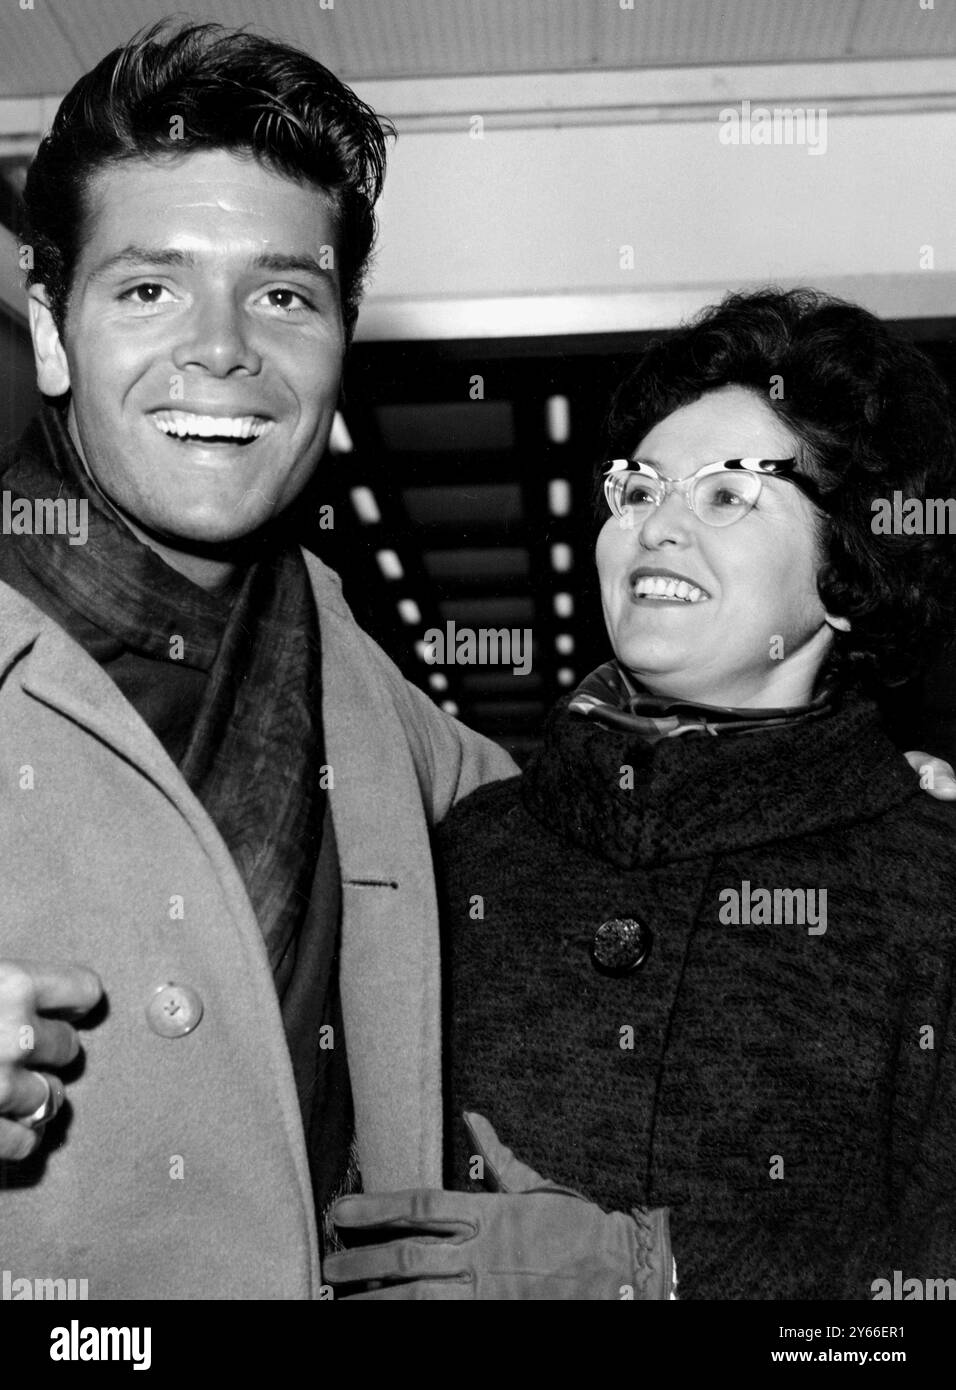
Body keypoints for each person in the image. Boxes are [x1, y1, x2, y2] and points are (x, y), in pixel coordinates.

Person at [0, 21, 522, 1300]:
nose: (224, 346)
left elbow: (579, 835)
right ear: (53, 331)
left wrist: (860, 800)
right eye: (150, 287)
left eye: (284, 293)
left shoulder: (358, 677)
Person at [326, 289, 956, 1300]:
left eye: (722, 494)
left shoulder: (928, 889)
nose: (653, 527)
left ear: (847, 568)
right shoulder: (464, 855)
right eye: (637, 490)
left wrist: (652, 1275)